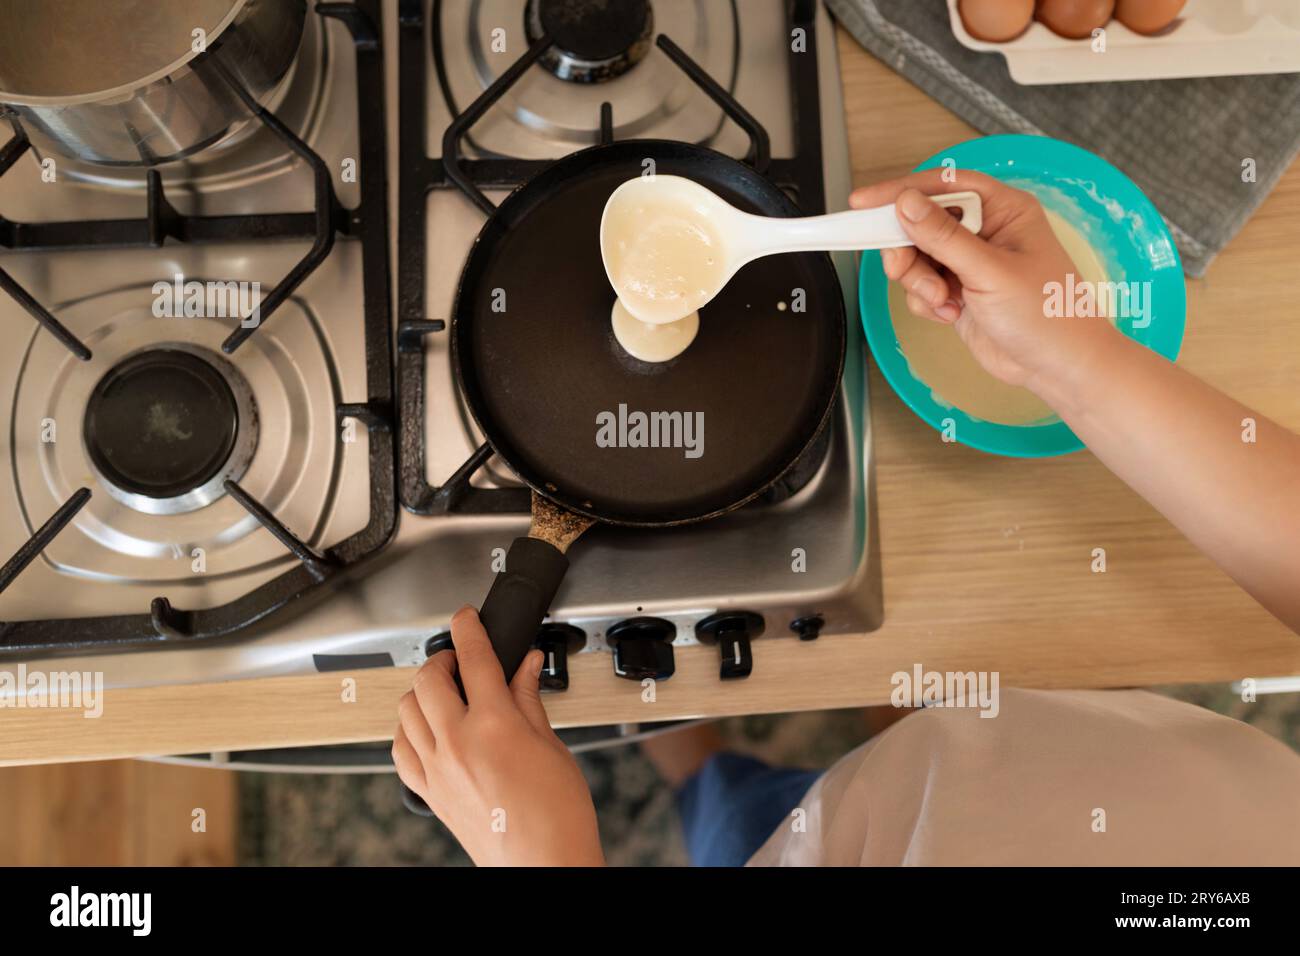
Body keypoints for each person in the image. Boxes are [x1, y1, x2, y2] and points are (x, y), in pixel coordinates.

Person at [391, 171, 1300, 867]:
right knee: (929, 742)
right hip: (1042, 778)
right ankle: (889, 730)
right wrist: (1078, 361)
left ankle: (695, 764)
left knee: (735, 819)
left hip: (841, 848)